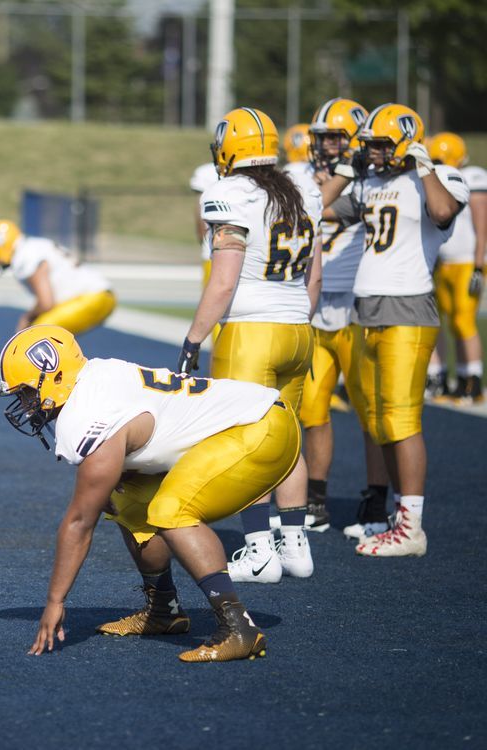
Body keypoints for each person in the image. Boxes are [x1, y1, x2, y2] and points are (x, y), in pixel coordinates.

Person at [0, 325, 300, 662]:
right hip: (251, 424)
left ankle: (238, 628)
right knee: (126, 500)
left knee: (172, 510)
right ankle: (163, 609)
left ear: (54, 377)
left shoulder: (85, 417)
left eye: (26, 393)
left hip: (261, 428)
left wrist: (55, 601)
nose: (25, 406)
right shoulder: (95, 375)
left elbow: (80, 523)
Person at [178, 107, 321, 584]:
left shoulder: (229, 193)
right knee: (287, 438)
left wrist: (194, 337)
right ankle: (295, 545)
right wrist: (299, 316)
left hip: (251, 332)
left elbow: (223, 281)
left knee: (247, 442)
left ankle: (259, 550)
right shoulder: (303, 188)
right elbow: (313, 274)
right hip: (299, 330)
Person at [319, 104, 468, 557]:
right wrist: (347, 168)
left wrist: (422, 165)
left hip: (408, 312)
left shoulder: (439, 178)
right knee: (380, 418)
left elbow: (443, 211)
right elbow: (322, 205)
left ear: (406, 142)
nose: (375, 153)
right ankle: (392, 517)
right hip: (366, 314)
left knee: (401, 419)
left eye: (382, 145)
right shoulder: (371, 182)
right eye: (371, 145)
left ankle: (411, 527)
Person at [296, 97, 393, 539]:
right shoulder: (302, 175)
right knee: (312, 410)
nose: (328, 145)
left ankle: (377, 497)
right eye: (323, 137)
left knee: (372, 413)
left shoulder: (374, 180)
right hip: (316, 307)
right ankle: (315, 496)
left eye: (337, 136)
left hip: (358, 307)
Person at [425, 132, 486, 404]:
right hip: (444, 264)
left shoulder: (471, 177)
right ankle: (451, 378)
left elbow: (481, 225)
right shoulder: (437, 181)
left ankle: (473, 380)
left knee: (463, 321)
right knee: (442, 322)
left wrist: (478, 265)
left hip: (465, 264)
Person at [0, 219, 116, 334]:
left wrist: (28, 318)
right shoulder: (33, 245)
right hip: (100, 295)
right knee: (51, 344)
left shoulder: (24, 257)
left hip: (92, 298)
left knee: (35, 335)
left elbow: (46, 302)